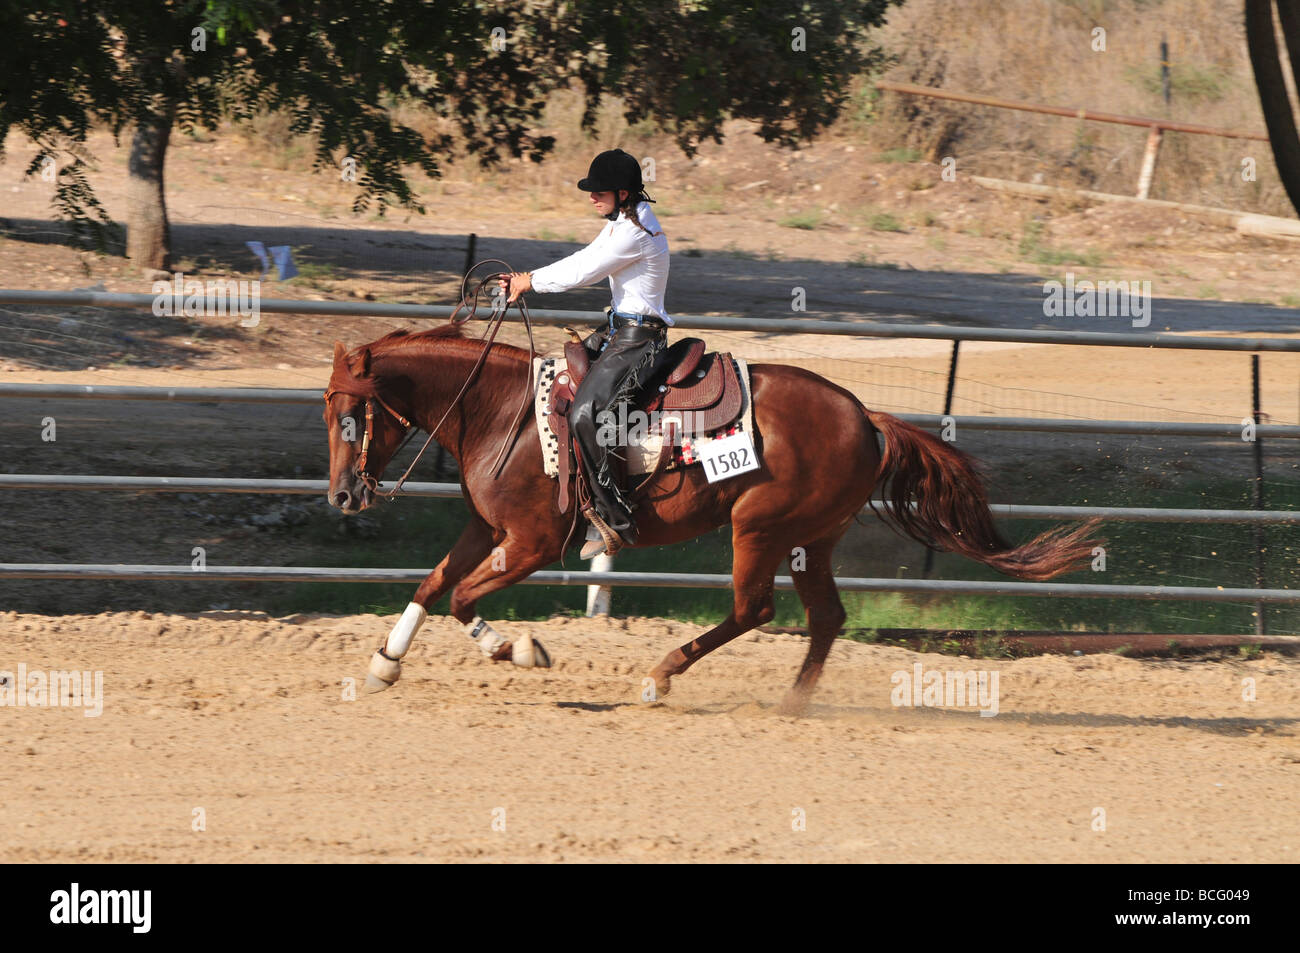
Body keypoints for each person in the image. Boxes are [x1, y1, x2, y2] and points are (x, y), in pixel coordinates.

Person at [500, 148, 671, 559]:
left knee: (585, 414)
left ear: (623, 193)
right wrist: (530, 278)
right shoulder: (624, 222)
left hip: (639, 341)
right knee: (554, 379)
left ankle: (615, 517)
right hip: (620, 330)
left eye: (600, 191)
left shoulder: (632, 233)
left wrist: (530, 282)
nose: (592, 197)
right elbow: (586, 257)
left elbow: (583, 272)